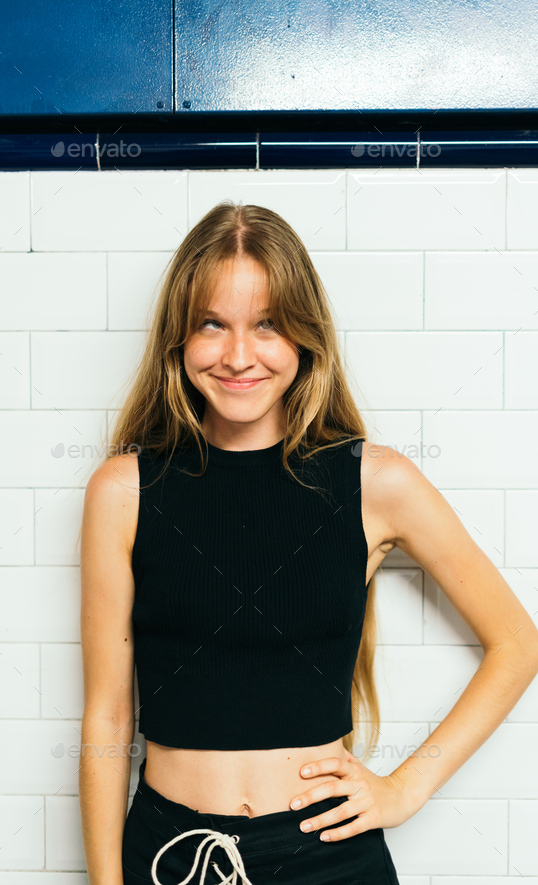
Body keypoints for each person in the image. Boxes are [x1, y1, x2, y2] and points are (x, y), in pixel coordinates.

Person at [78, 200, 538, 885]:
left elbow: (517, 642)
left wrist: (406, 788)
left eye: (267, 324)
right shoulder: (123, 491)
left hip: (330, 861)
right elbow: (109, 717)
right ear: (179, 337)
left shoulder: (375, 481)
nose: (239, 355)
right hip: (171, 855)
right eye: (213, 323)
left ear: (303, 336)